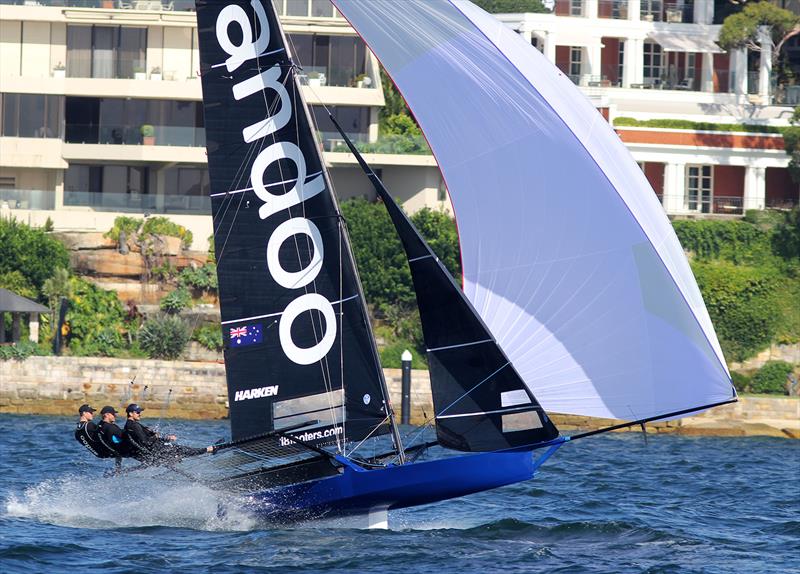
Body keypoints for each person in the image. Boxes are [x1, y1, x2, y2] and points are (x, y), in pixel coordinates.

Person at [123, 403, 213, 465]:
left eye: (140, 412)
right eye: (138, 412)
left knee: (180, 450)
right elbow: (146, 442)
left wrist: (166, 438)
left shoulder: (131, 425)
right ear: (131, 413)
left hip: (155, 450)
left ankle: (177, 457)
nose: (140, 414)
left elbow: (148, 438)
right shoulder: (134, 426)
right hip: (155, 452)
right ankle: (208, 449)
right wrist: (155, 436)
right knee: (182, 449)